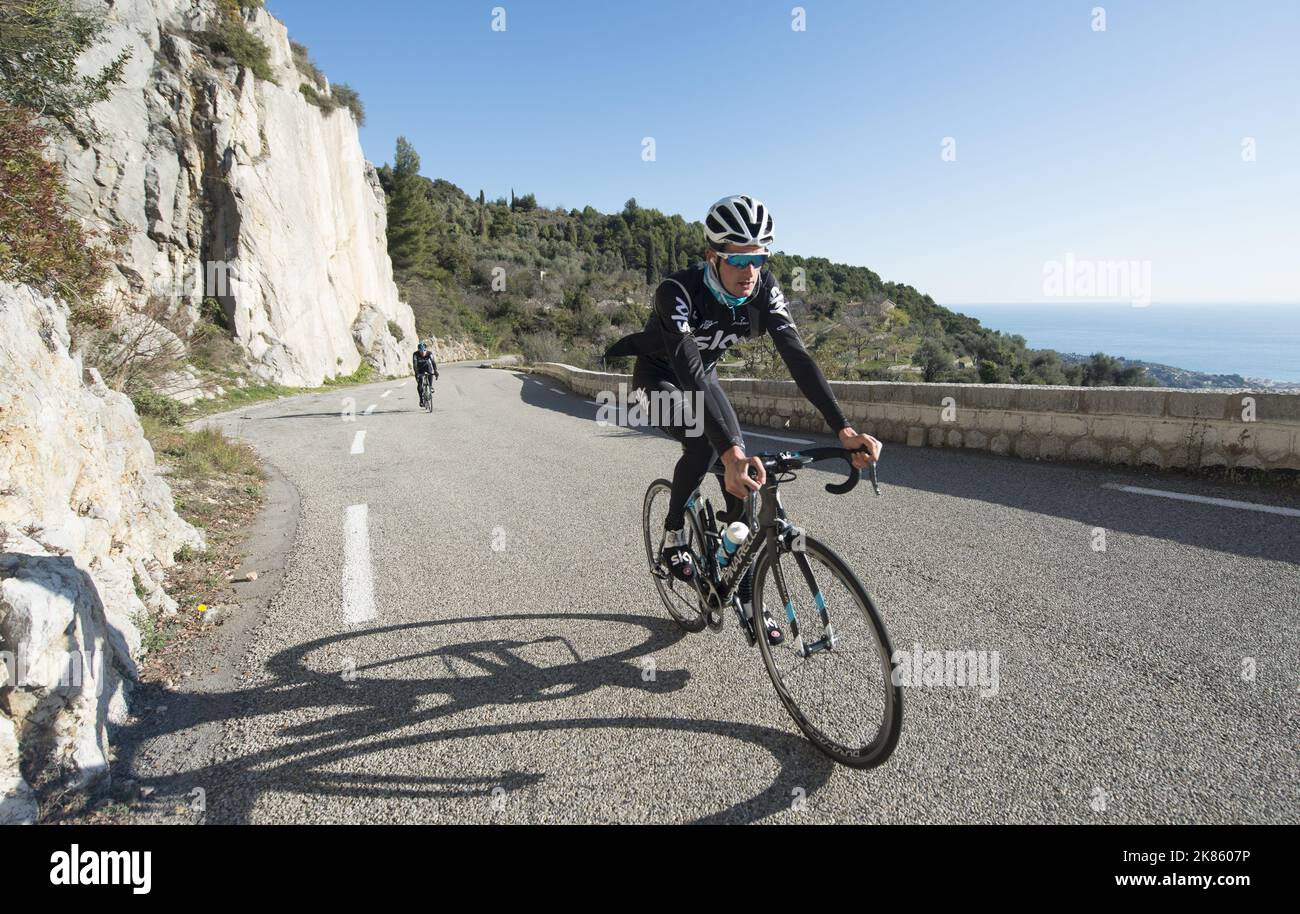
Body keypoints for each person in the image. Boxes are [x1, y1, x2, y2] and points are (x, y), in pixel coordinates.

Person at [605, 194, 882, 645]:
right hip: (660, 379)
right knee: (706, 443)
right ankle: (673, 533)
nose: (749, 270)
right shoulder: (677, 292)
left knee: (745, 473)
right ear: (712, 256)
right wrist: (729, 450)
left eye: (758, 258)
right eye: (737, 259)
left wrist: (844, 428)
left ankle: (741, 583)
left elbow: (797, 357)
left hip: (704, 378)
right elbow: (688, 367)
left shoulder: (763, 289)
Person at [413, 341, 439, 405]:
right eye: (421, 351)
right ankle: (421, 399)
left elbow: (433, 362)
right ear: (418, 350)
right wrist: (416, 373)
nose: (422, 353)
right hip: (419, 369)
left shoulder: (429, 353)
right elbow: (415, 365)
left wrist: (435, 371)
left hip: (427, 367)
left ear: (426, 350)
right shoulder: (415, 354)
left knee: (430, 373)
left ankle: (430, 386)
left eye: (424, 351)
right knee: (420, 384)